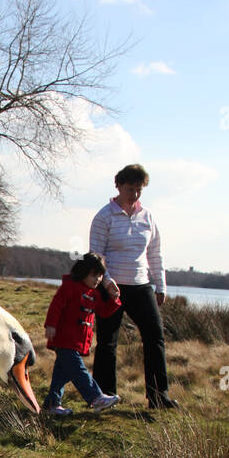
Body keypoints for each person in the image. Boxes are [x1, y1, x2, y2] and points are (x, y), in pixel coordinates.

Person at [89, 164, 178, 409]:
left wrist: (160, 285)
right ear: (118, 186)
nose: (134, 194)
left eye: (139, 190)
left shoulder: (147, 217)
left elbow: (155, 253)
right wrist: (106, 283)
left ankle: (159, 397)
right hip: (111, 286)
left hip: (141, 286)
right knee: (108, 342)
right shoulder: (103, 216)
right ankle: (105, 396)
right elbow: (96, 256)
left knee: (155, 337)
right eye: (130, 189)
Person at [43, 252, 122, 416]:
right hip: (65, 340)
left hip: (77, 342)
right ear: (83, 272)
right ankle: (96, 398)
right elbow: (56, 306)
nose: (98, 280)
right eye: (94, 275)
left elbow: (104, 312)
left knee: (61, 374)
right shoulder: (70, 287)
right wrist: (51, 326)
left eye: (100, 276)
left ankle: (51, 405)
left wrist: (114, 299)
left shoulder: (95, 294)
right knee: (78, 371)